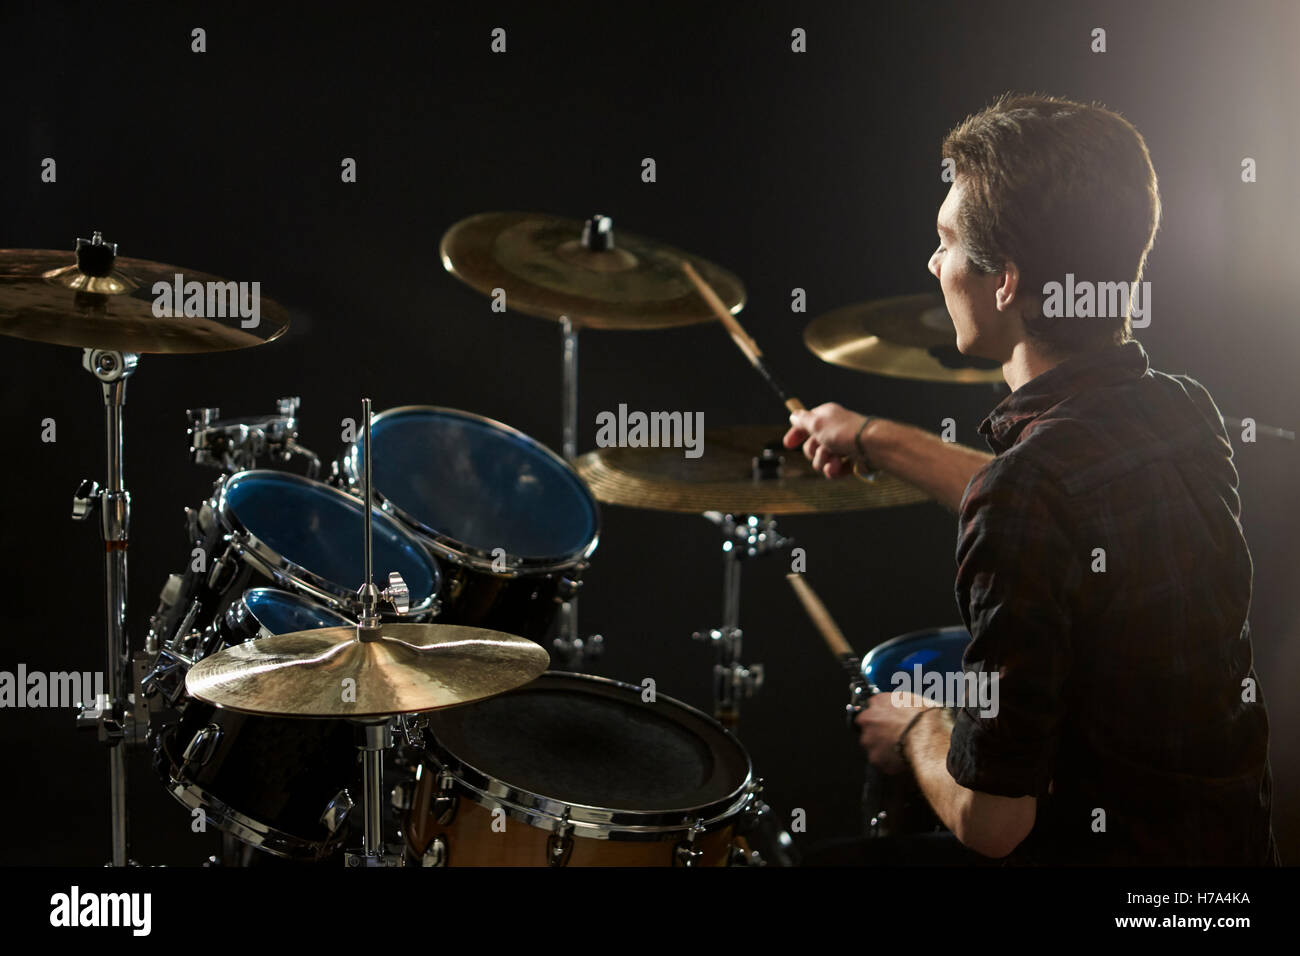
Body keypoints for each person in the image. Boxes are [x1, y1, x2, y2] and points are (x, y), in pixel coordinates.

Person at [785, 93, 1277, 865]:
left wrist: (917, 727)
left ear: (1006, 282)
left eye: (945, 240)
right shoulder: (1186, 411)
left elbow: (993, 825)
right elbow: (1065, 493)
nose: (933, 264)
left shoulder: (1026, 493)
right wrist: (874, 437)